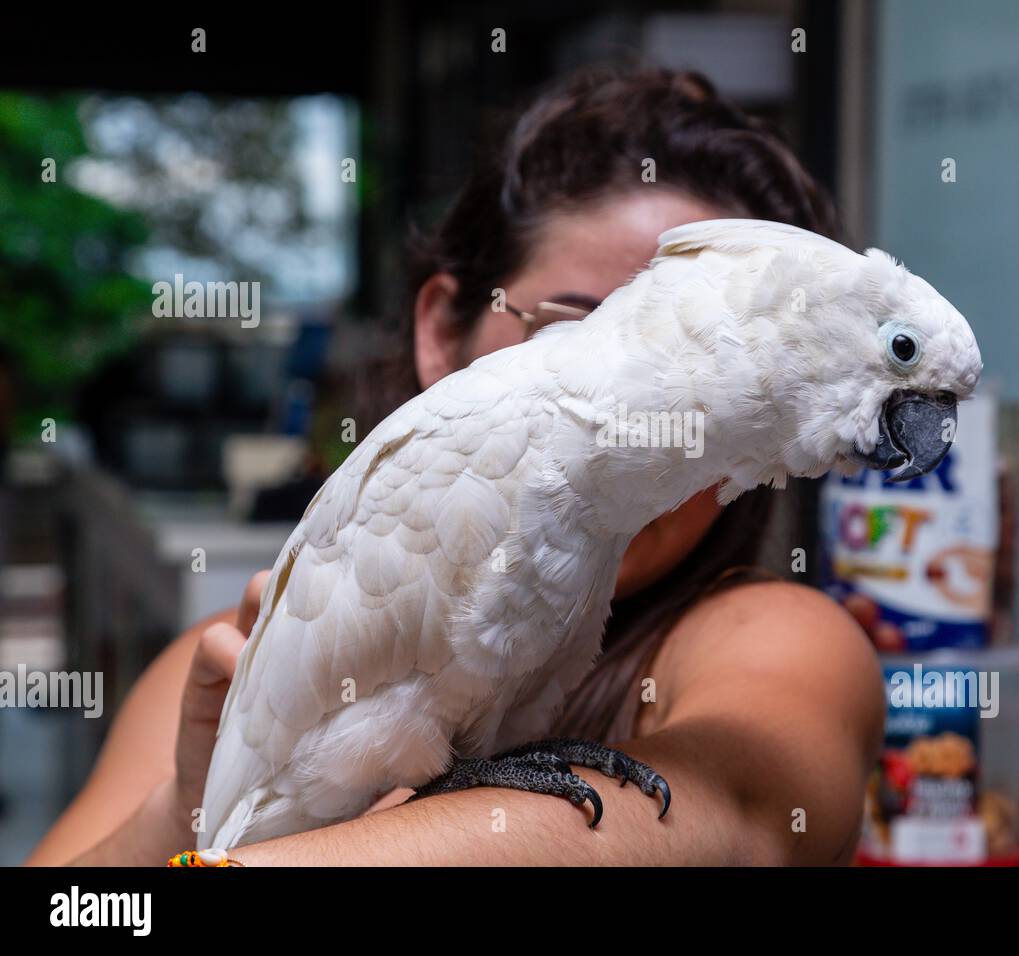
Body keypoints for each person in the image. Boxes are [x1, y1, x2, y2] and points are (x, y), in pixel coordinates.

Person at [28, 65, 883, 866]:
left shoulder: (772, 638)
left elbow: (731, 818)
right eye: (576, 327)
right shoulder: (220, 660)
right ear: (443, 332)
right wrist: (184, 815)